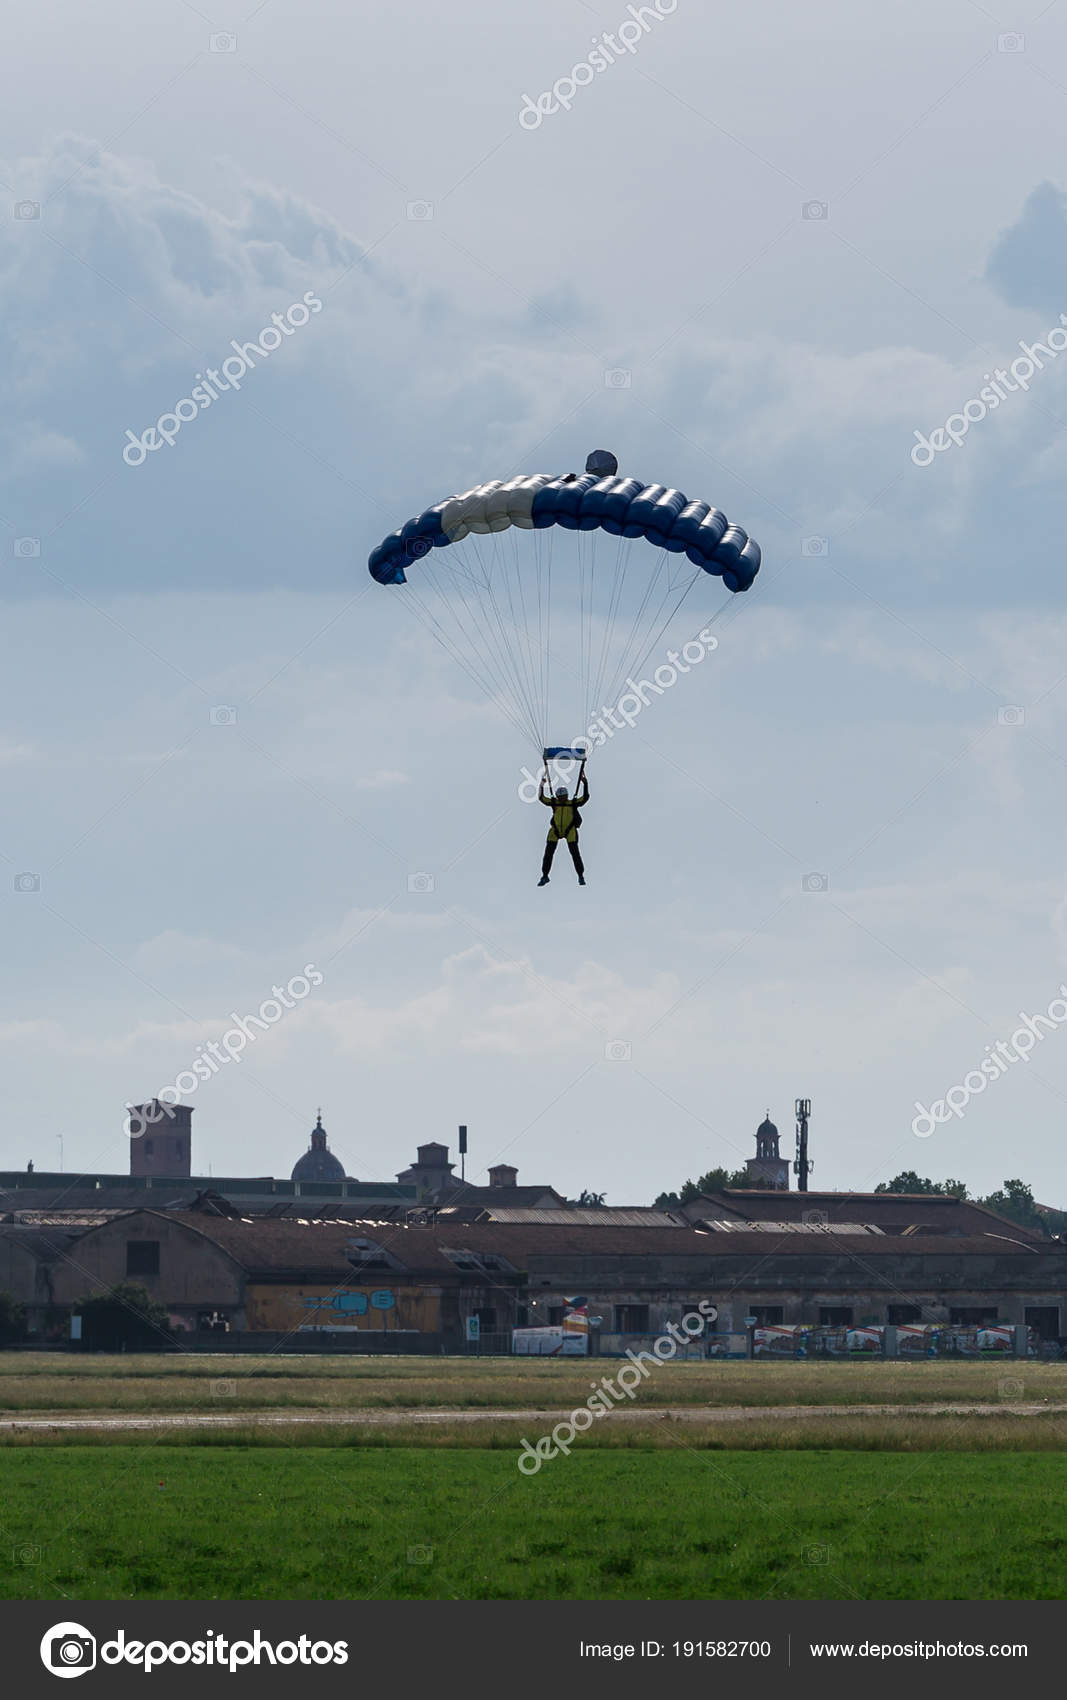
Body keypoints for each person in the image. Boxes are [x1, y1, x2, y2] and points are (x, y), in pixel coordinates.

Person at [538, 764, 588, 886]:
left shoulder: (572, 803)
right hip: (555, 831)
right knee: (548, 854)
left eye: (563, 797)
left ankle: (580, 875)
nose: (561, 799)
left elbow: (585, 798)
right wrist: (542, 785)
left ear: (566, 796)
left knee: (575, 853)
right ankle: (545, 875)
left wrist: (585, 783)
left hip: (570, 830)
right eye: (560, 797)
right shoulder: (554, 803)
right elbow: (541, 798)